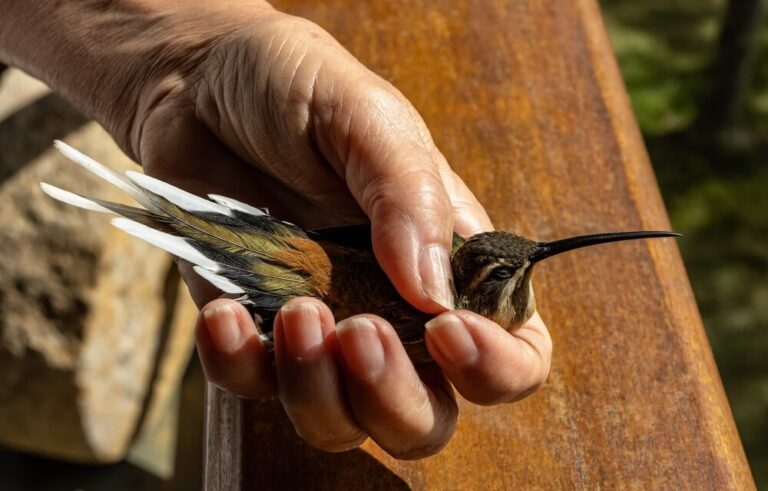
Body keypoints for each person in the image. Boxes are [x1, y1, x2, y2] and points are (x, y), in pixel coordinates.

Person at [0, 1, 551, 459]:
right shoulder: (445, 302)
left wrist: (192, 61)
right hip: (309, 263)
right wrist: (194, 64)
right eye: (504, 273)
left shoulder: (467, 306)